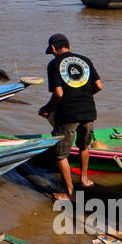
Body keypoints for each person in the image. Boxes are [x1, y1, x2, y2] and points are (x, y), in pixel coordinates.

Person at [38, 33, 103, 200]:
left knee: (60, 154)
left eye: (51, 51)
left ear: (53, 48)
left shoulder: (54, 64)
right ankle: (84, 179)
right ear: (69, 45)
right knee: (84, 146)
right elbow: (99, 86)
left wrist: (47, 108)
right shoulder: (85, 60)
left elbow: (58, 93)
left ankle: (69, 193)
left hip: (68, 114)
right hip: (89, 111)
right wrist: (85, 96)